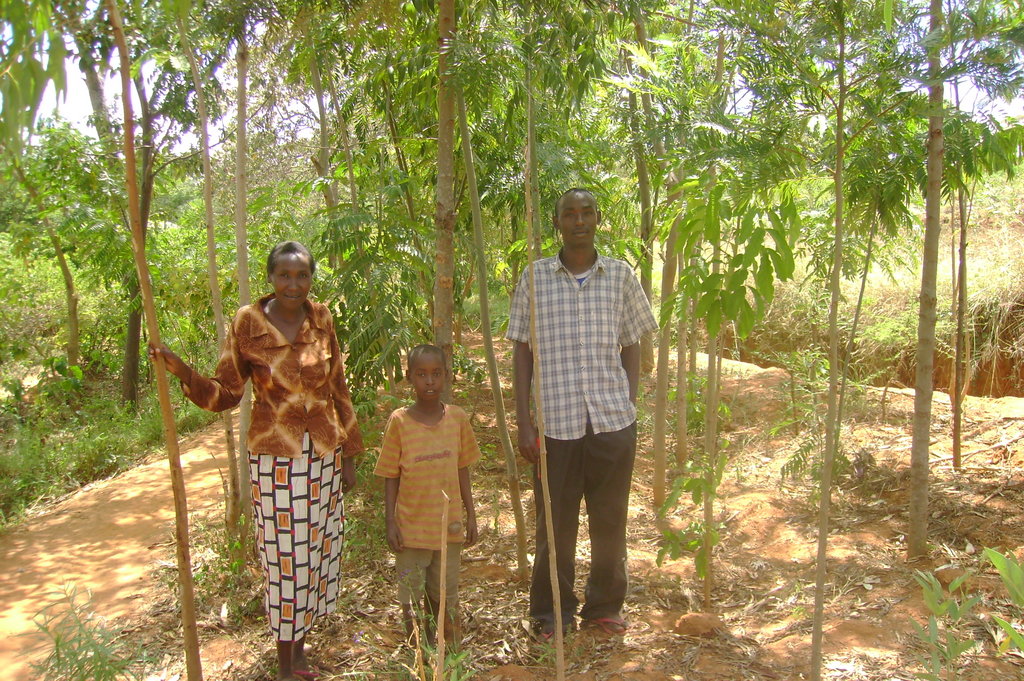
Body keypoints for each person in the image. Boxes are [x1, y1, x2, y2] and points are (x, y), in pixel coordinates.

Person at [149, 241, 362, 681]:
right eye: (284, 275)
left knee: (316, 550)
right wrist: (182, 371)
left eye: (302, 275)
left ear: (311, 279)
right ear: (270, 278)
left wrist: (350, 454)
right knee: (286, 556)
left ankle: (300, 649)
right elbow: (226, 392)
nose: (293, 284)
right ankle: (286, 665)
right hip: (275, 458)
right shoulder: (249, 322)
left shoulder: (321, 318)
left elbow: (338, 385)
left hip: (323, 454)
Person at [507, 188, 659, 641]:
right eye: (569, 213)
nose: (578, 220)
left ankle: (605, 606)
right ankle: (551, 611)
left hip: (612, 422)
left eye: (586, 212)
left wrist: (627, 404)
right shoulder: (533, 279)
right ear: (556, 223)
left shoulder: (620, 277)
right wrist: (524, 421)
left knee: (610, 519)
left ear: (597, 219)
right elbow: (521, 350)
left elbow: (632, 341)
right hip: (556, 425)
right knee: (555, 523)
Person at [374, 344, 480, 645]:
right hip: (411, 528)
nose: (429, 381)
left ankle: (442, 644)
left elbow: (462, 469)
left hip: (449, 527)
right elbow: (391, 475)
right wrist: (391, 522)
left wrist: (471, 515)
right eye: (421, 374)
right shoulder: (399, 421)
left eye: (436, 374)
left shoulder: (457, 419)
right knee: (411, 593)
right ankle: (415, 646)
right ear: (409, 378)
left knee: (443, 590)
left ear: (447, 376)